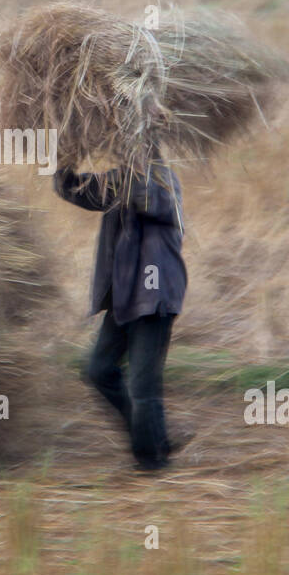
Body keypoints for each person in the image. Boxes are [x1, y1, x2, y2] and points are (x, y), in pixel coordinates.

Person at [53, 153, 187, 471]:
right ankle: (153, 437)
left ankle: (153, 462)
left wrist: (130, 162)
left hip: (153, 299)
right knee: (98, 370)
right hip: (123, 299)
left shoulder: (162, 181)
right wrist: (64, 158)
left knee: (143, 386)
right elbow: (76, 191)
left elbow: (150, 201)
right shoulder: (120, 181)